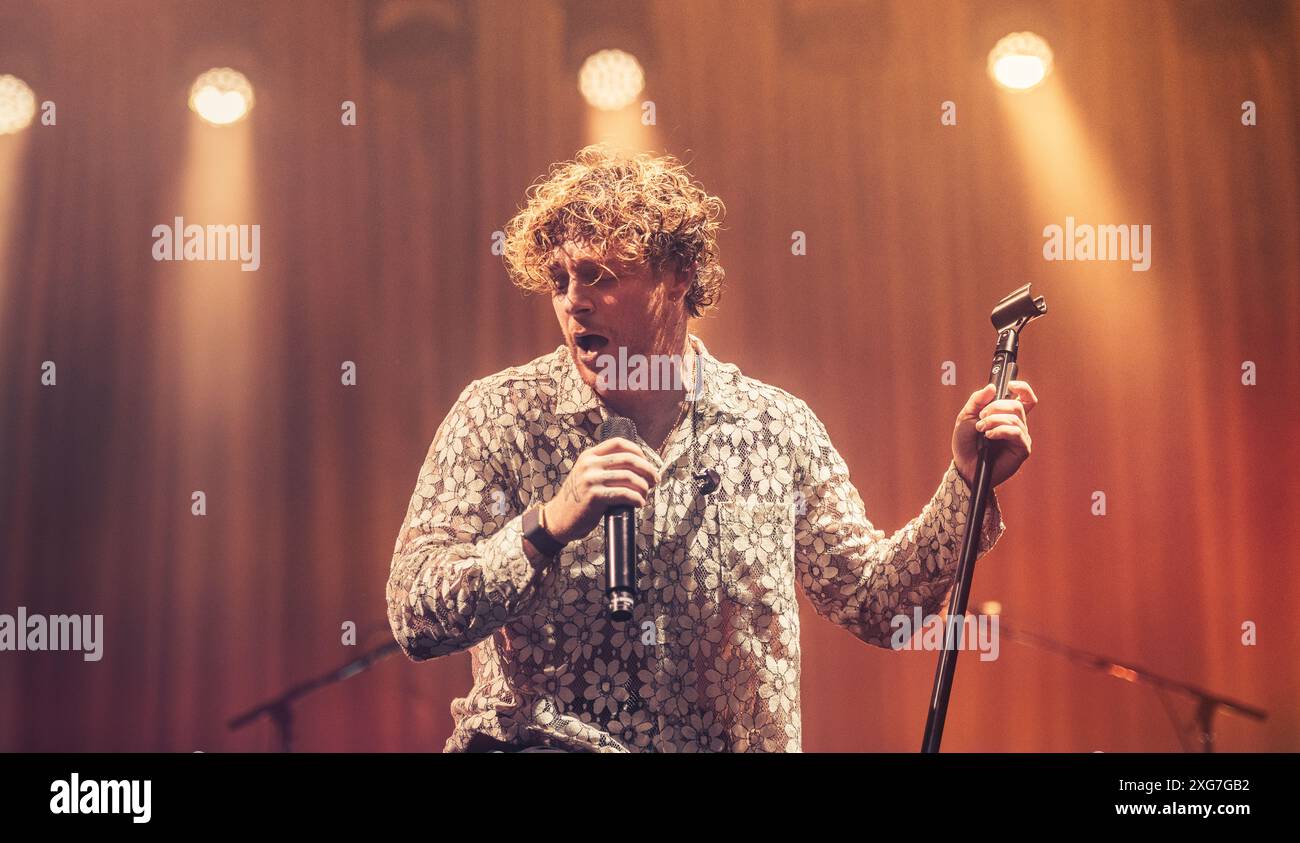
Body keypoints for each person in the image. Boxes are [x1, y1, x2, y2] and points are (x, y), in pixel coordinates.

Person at [385, 144, 1038, 752]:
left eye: (598, 275)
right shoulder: (499, 416)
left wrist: (966, 481)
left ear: (679, 272)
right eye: (558, 281)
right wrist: (546, 526)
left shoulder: (773, 427)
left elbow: (876, 601)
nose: (574, 302)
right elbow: (414, 613)